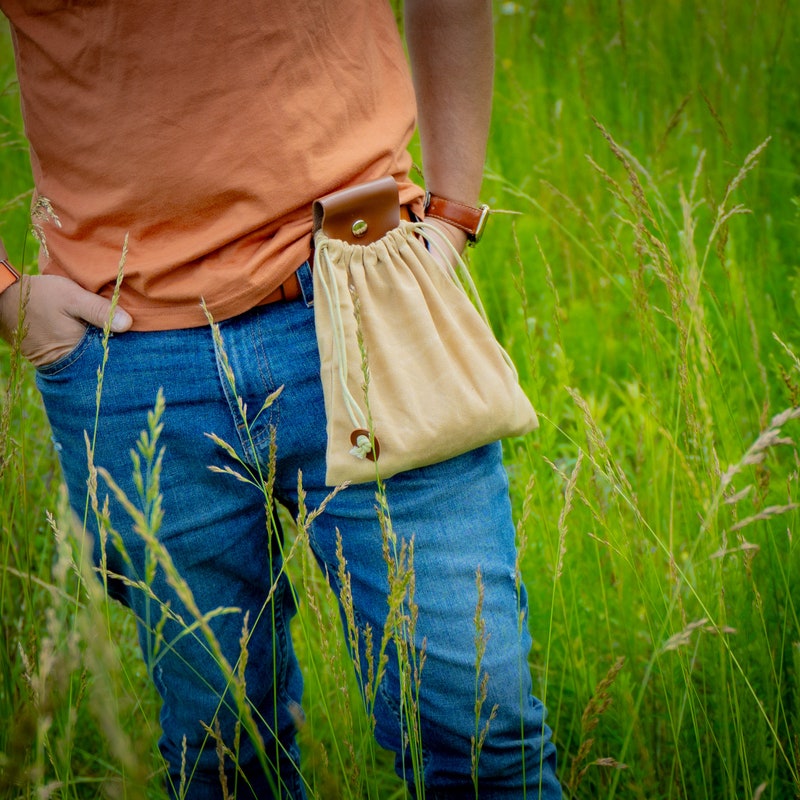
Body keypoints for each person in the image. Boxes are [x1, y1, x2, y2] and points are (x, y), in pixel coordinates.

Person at [0, 1, 561, 798]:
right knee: (222, 761)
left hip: (366, 294)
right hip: (129, 352)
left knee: (481, 740)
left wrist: (455, 213)